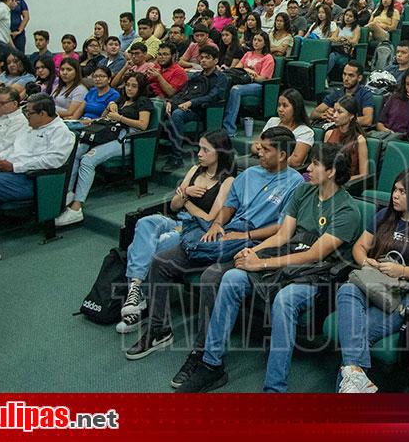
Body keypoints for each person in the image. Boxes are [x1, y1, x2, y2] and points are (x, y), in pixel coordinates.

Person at [175, 143, 362, 393]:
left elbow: (313, 255)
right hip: (287, 261)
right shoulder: (305, 192)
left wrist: (262, 263)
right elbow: (284, 235)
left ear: (331, 172)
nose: (308, 168)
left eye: (316, 164)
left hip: (317, 276)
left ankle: (274, 389)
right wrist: (254, 251)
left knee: (284, 300)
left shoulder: (347, 209)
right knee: (232, 277)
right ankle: (212, 365)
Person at [126, 126, 305, 360]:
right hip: (227, 233)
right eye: (259, 147)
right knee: (161, 262)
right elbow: (230, 205)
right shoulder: (249, 173)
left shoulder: (296, 183)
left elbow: (282, 228)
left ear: (282, 155)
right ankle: (158, 329)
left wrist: (245, 236)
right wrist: (217, 224)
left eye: (266, 149)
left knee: (210, 276)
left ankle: (202, 350)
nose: (259, 152)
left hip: (257, 242)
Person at [336, 169, 409, 393]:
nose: (395, 195)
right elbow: (359, 247)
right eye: (395, 190)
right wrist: (367, 261)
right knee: (347, 289)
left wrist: (402, 270)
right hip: (372, 283)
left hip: (402, 296)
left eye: (403, 192)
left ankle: (352, 385)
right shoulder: (383, 216)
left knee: (356, 336)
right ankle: (357, 382)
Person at [118, 131, 236, 332]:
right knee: (146, 222)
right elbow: (173, 206)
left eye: (205, 150)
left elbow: (209, 219)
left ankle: (139, 303)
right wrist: (185, 195)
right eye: (199, 148)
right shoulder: (195, 170)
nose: (199, 153)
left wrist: (186, 198)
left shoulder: (227, 181)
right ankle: (136, 289)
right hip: (178, 220)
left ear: (219, 153)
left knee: (138, 248)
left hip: (195, 231)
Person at [0, 93, 75, 266]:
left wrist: (14, 166)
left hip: (32, 179)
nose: (26, 116)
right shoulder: (29, 127)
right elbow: (15, 149)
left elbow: (52, 161)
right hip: (10, 170)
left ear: (43, 114)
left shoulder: (61, 132)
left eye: (29, 113)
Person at [56, 73, 152, 226]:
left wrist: (119, 117)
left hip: (127, 140)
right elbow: (103, 117)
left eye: (134, 86)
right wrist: (110, 107)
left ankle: (76, 207)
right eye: (127, 85)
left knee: (88, 159)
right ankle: (67, 193)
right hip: (109, 133)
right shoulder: (121, 99)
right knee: (76, 152)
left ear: (140, 88)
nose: (130, 89)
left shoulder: (144, 102)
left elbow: (143, 125)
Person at [162, 46, 228, 170]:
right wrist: (171, 102)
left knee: (177, 114)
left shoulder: (221, 78)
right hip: (189, 107)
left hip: (205, 111)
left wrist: (191, 102)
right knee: (163, 109)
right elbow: (183, 92)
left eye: (207, 58)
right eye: (201, 58)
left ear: (215, 60)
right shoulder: (196, 76)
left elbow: (212, 97)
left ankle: (176, 158)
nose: (203, 60)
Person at [238, 88, 314, 170]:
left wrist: (267, 154)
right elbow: (254, 146)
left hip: (281, 170)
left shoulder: (305, 132)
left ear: (296, 108)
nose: (280, 109)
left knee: (236, 165)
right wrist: (267, 153)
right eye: (279, 105)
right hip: (261, 161)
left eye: (285, 106)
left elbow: (295, 161)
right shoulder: (273, 121)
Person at [222, 31, 275, 136]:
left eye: (259, 40)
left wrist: (249, 73)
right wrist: (248, 71)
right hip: (244, 81)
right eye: (255, 40)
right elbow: (237, 69)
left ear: (265, 43)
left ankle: (229, 129)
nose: (256, 42)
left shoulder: (268, 58)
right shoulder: (248, 54)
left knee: (236, 90)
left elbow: (262, 79)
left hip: (258, 86)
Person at [311, 61, 375, 127]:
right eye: (344, 74)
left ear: (359, 78)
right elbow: (313, 114)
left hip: (352, 131)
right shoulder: (337, 93)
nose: (346, 79)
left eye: (351, 75)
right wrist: (324, 115)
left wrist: (342, 119)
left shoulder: (365, 94)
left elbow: (367, 120)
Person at [322, 95, 369, 182]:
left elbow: (364, 174)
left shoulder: (360, 140)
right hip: (327, 179)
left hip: (347, 184)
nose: (335, 115)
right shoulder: (329, 134)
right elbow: (323, 162)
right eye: (334, 111)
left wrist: (339, 181)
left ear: (351, 116)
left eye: (340, 112)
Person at [328, 9, 361, 76]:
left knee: (332, 56)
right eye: (346, 15)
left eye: (350, 16)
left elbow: (355, 42)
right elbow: (332, 38)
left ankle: (322, 77)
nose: (347, 18)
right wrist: (338, 39)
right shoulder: (340, 26)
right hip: (336, 49)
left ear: (354, 19)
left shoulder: (356, 28)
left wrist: (345, 38)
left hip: (345, 53)